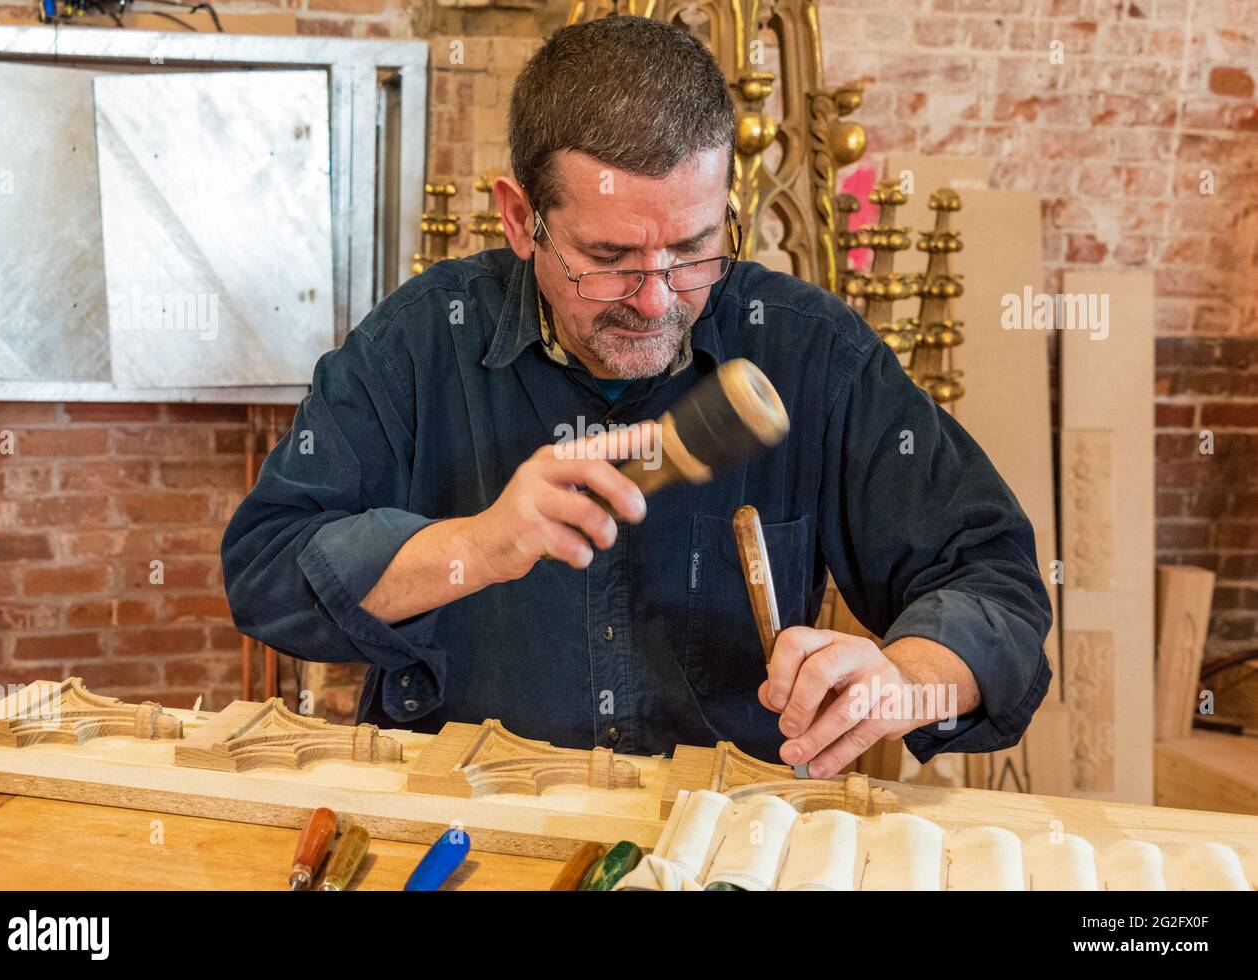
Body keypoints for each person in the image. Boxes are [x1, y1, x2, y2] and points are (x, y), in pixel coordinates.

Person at [222, 15, 1053, 776]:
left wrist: (904, 681)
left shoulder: (808, 351)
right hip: (474, 825)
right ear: (521, 220)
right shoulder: (419, 342)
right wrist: (474, 548)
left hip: (725, 837)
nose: (656, 301)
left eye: (694, 249)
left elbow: (997, 586)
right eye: (610, 256)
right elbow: (265, 573)